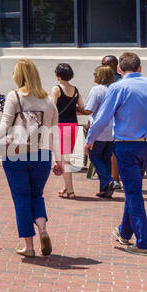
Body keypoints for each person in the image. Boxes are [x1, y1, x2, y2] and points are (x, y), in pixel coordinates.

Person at [85, 52, 147, 254]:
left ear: (119, 69)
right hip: (146, 144)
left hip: (126, 145)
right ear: (140, 68)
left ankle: (144, 242)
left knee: (133, 193)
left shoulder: (119, 87)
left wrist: (90, 138)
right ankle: (124, 232)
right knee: (133, 189)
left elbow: (102, 117)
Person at [0, 59, 63, 257]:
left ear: (19, 76)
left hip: (16, 154)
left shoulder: (14, 96)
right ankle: (43, 229)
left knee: (21, 198)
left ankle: (28, 246)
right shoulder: (49, 101)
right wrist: (59, 161)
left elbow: (5, 124)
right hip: (42, 155)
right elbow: (54, 134)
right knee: (36, 195)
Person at [83, 64, 119, 198]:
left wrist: (73, 108)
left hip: (99, 129)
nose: (94, 76)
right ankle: (106, 190)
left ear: (100, 75)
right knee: (106, 159)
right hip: (113, 130)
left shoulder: (96, 90)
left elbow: (89, 109)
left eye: (95, 74)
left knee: (94, 156)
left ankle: (110, 181)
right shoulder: (115, 89)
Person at [51, 63, 82, 199]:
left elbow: (52, 109)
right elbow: (82, 108)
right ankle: (66, 186)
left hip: (60, 125)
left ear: (58, 75)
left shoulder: (56, 89)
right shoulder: (76, 90)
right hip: (73, 125)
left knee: (63, 159)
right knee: (65, 156)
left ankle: (70, 190)